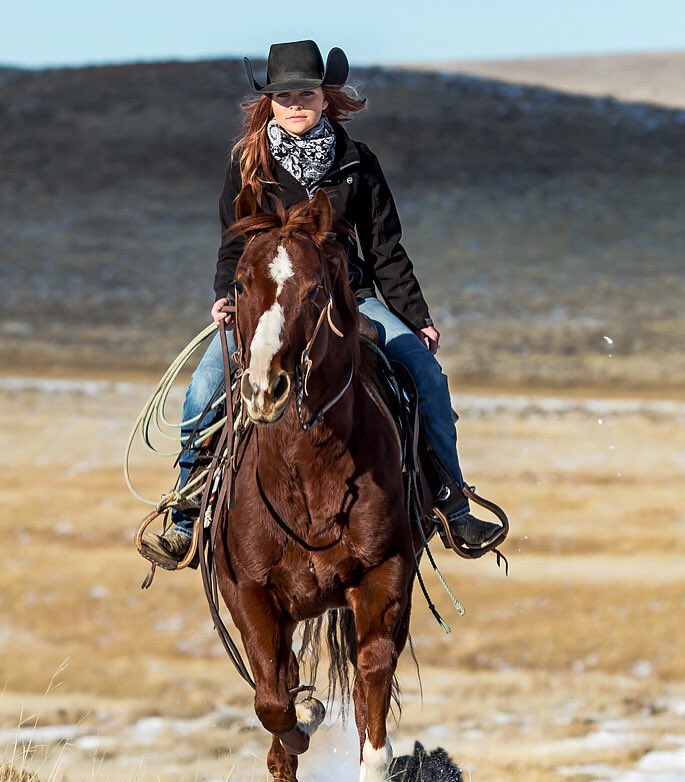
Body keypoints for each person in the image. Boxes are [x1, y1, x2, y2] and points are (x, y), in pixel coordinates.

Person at [141, 39, 504, 568]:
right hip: (264, 302)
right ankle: (186, 515)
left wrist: (416, 318)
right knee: (205, 384)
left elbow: (385, 248)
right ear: (268, 101)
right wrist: (226, 297)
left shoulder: (358, 161)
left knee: (425, 373)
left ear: (326, 97)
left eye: (306, 93)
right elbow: (232, 243)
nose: (296, 104)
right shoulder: (249, 164)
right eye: (284, 95)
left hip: (347, 297)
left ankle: (451, 503)